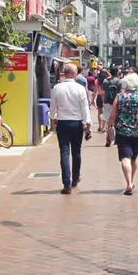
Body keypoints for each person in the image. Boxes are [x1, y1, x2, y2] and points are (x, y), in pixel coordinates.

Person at [49, 62, 92, 195]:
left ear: (64, 73)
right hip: (76, 123)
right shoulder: (80, 89)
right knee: (76, 151)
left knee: (64, 152)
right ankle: (75, 178)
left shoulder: (57, 88)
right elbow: (85, 108)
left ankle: (66, 183)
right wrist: (88, 123)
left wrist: (53, 117)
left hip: (62, 123)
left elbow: (53, 106)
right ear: (74, 74)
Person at [110, 74, 138, 195]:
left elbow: (112, 115)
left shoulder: (120, 97)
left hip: (122, 131)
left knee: (125, 157)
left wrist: (109, 126)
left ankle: (128, 183)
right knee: (133, 158)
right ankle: (131, 182)